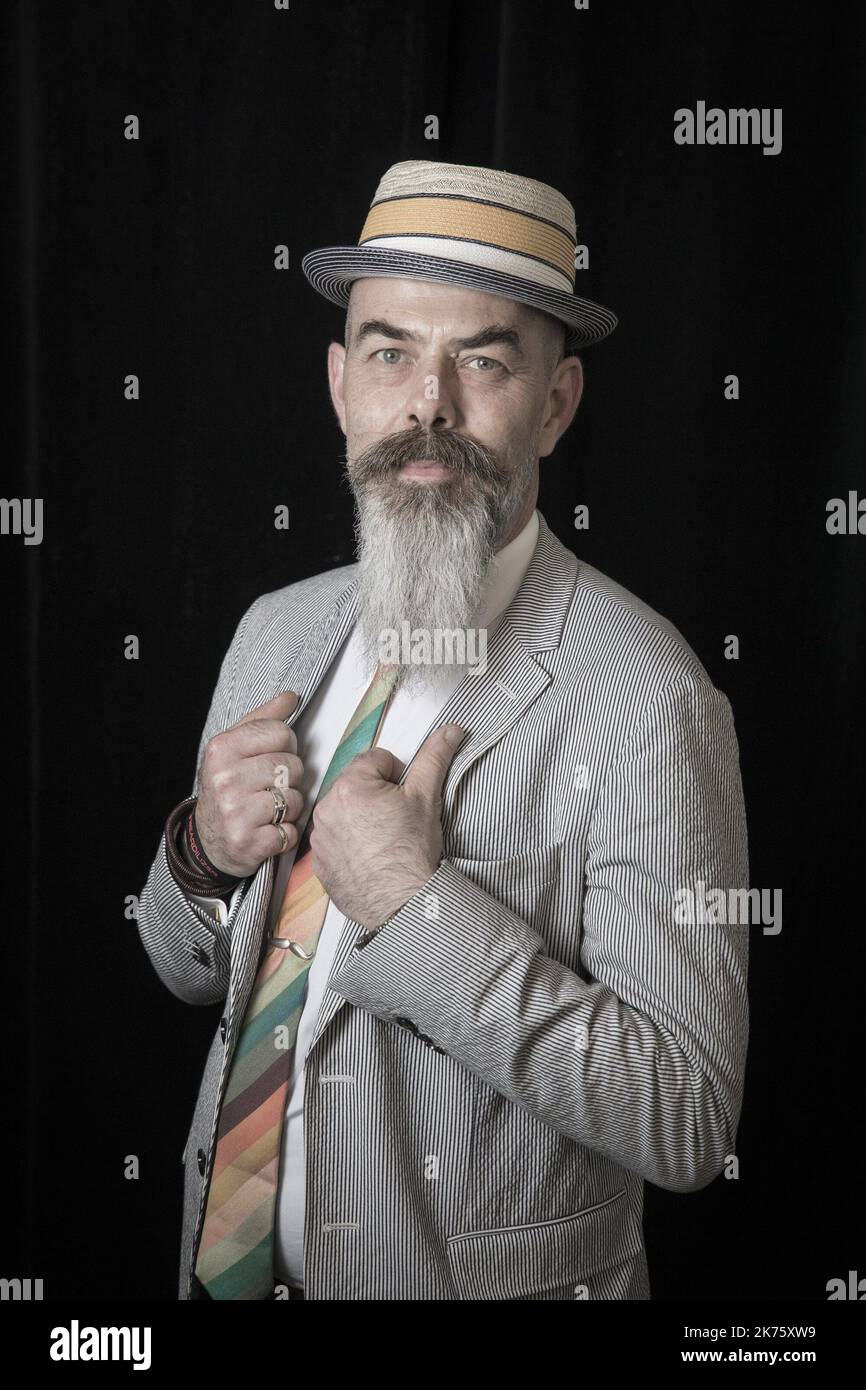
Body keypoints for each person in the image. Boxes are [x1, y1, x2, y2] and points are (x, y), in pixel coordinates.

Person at [137, 158, 749, 1301]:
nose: (428, 403)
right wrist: (201, 858)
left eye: (480, 358)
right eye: (390, 352)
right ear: (338, 384)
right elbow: (182, 970)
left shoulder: (647, 697)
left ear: (555, 402)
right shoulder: (273, 634)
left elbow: (686, 1119)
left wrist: (419, 912)